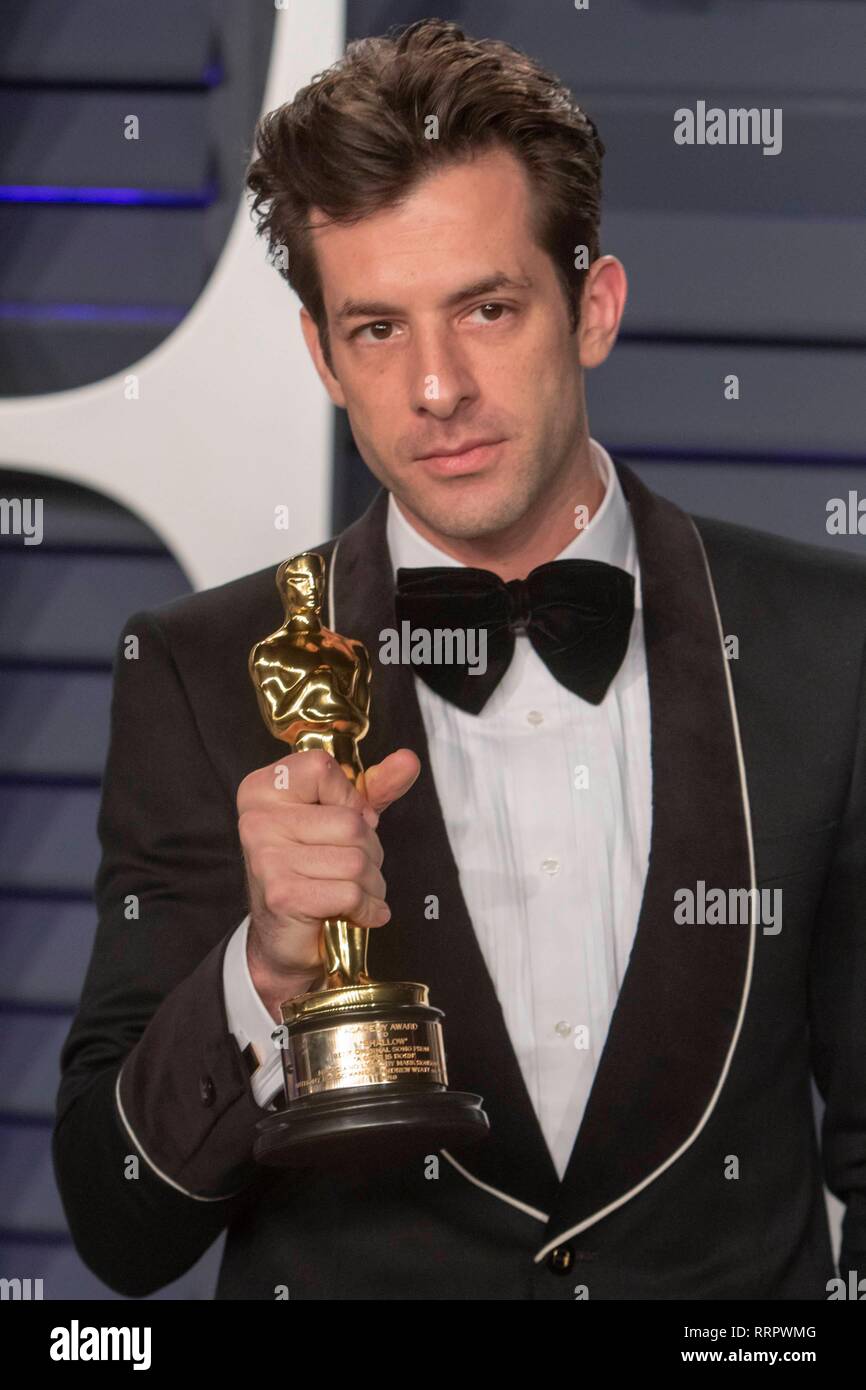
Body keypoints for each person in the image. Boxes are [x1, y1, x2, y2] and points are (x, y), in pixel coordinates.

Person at [53, 18, 866, 1300]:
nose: (436, 386)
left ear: (590, 307)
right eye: (377, 330)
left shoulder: (832, 642)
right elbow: (119, 1225)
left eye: (486, 308)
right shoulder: (199, 671)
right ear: (323, 355)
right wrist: (260, 979)